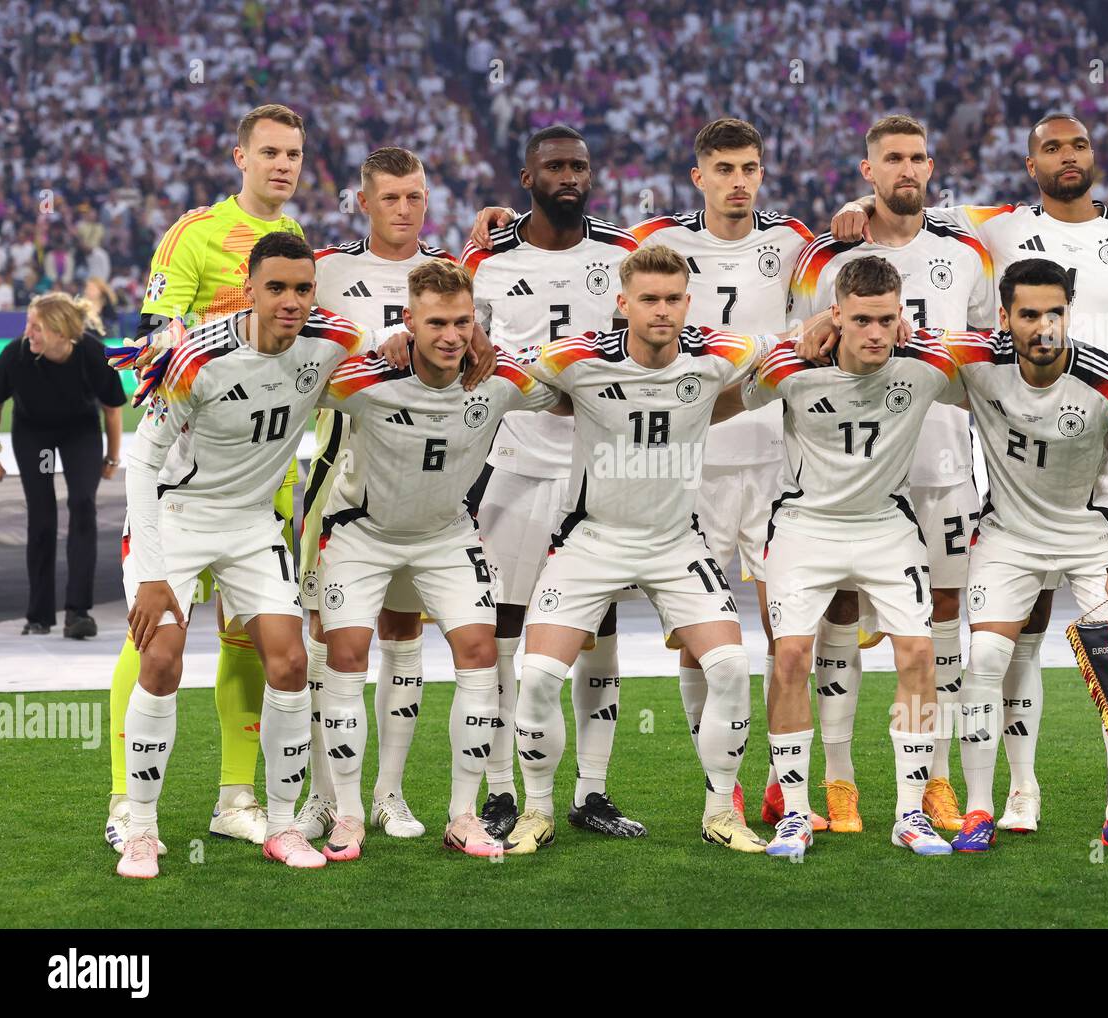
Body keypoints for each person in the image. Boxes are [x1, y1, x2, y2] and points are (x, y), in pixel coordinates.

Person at [830, 111, 1108, 835]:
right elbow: (908, 201)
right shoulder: (993, 225)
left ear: (1095, 154)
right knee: (1013, 635)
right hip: (1026, 463)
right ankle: (1015, 792)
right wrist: (855, 208)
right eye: (1051, 147)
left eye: (1079, 144)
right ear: (1030, 165)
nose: (1068, 156)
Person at [500, 244, 832, 856]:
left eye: (673, 299)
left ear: (688, 302)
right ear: (622, 303)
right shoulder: (576, 356)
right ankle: (537, 811)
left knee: (730, 668)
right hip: (590, 539)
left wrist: (829, 322)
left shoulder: (718, 352)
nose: (661, 311)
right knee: (540, 676)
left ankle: (719, 811)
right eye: (648, 300)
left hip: (677, 541)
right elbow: (496, 365)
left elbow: (791, 340)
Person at [115, 231, 365, 878]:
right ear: (248, 289)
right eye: (276, 287)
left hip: (253, 524)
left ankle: (281, 826)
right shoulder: (196, 357)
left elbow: (388, 359)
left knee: (288, 661)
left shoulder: (334, 341)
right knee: (162, 657)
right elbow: (142, 459)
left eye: (302, 288)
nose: (290, 301)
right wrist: (148, 575)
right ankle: (140, 829)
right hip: (177, 520)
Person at [105, 104, 312, 853]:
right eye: (269, 152)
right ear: (240, 158)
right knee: (154, 639)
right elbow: (155, 341)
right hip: (185, 474)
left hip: (265, 479)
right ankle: (128, 802)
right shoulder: (196, 233)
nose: (283, 165)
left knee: (250, 644)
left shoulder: (295, 248)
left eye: (293, 153)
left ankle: (236, 798)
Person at [788, 114, 996, 833]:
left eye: (917, 158)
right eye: (892, 159)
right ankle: (839, 781)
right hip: (849, 471)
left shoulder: (966, 250)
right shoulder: (827, 252)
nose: (906, 170)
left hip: (939, 461)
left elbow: (986, 348)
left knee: (939, 625)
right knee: (838, 617)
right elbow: (803, 346)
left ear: (930, 168)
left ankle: (932, 777)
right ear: (868, 170)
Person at [312, 260, 562, 861]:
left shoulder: (497, 379)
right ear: (409, 321)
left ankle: (463, 816)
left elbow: (567, 382)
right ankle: (347, 815)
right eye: (436, 323)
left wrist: (498, 349)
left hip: (447, 536)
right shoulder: (368, 380)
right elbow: (298, 373)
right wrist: (374, 342)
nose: (451, 336)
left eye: (461, 322)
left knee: (480, 653)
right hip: (361, 532)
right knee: (345, 656)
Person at [934, 259, 1108, 855]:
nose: (1044, 327)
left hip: (1093, 538)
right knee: (984, 654)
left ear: (1069, 313)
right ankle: (984, 805)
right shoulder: (978, 360)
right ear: (1005, 317)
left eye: (1055, 313)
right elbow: (902, 338)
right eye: (1029, 314)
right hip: (1009, 535)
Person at [628, 117, 817, 830]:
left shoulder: (794, 242)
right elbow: (578, 247)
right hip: (693, 465)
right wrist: (495, 224)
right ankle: (722, 784)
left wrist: (855, 217)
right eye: (725, 168)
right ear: (697, 175)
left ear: (762, 172)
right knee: (697, 635)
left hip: (776, 463)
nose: (739, 181)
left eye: (750, 168)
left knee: (784, 626)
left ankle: (781, 778)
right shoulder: (660, 243)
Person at [460, 126, 644, 840]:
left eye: (580, 166)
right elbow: (462, 347)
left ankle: (591, 793)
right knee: (505, 625)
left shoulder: (623, 252)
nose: (570, 176)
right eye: (555, 167)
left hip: (600, 469)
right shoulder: (487, 256)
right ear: (526, 176)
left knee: (598, 629)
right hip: (516, 461)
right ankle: (502, 791)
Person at [293, 146, 479, 844]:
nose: (407, 208)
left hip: (420, 484)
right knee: (329, 641)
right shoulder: (330, 270)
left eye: (417, 196)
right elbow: (306, 348)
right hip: (341, 475)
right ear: (364, 201)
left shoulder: (448, 276)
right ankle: (323, 791)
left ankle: (389, 794)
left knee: (403, 635)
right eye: (393, 197)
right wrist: (383, 344)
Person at [747, 256, 962, 860]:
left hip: (886, 527)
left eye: (887, 320)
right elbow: (723, 380)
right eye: (862, 319)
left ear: (902, 318)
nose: (875, 333)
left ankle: (908, 814)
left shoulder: (925, 367)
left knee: (920, 651)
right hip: (803, 525)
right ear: (835, 315)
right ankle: (793, 813)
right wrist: (796, 334)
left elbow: (1000, 349)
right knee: (789, 654)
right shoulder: (792, 369)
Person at [0, 292, 124, 638]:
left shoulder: (93, 353)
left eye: (36, 327)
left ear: (59, 332)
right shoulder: (16, 355)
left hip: (78, 431)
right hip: (33, 434)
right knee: (42, 515)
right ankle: (39, 615)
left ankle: (78, 612)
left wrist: (112, 457)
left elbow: (112, 409)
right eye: (28, 325)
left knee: (83, 504)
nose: (28, 333)